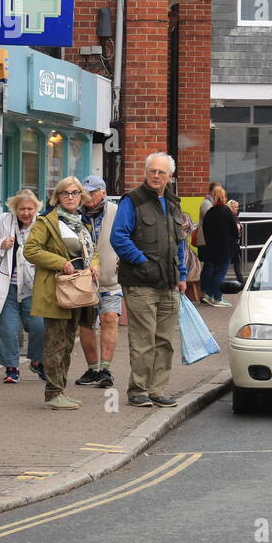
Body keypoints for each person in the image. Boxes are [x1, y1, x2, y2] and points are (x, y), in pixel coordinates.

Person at [110, 152, 188, 408]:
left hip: (169, 283)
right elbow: (119, 237)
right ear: (146, 172)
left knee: (164, 341)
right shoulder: (132, 200)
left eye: (161, 172)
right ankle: (139, 391)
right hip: (140, 283)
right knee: (143, 340)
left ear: (170, 176)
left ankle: (157, 390)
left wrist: (182, 276)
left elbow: (178, 243)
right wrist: (143, 262)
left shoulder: (174, 204)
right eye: (152, 171)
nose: (156, 176)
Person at [24, 176, 99, 410]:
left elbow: (91, 250)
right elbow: (31, 250)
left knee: (67, 343)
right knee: (55, 343)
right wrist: (59, 262)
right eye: (65, 193)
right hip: (56, 290)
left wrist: (94, 263)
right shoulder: (46, 221)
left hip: (79, 289)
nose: (70, 197)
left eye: (75, 193)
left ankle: (60, 391)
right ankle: (53, 393)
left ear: (81, 197)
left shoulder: (82, 221)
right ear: (57, 196)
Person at [0, 189, 46, 384]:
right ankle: (11, 368)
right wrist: (1, 244)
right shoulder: (2, 222)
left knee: (39, 326)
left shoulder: (43, 225)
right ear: (14, 208)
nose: (26, 213)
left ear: (36, 208)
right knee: (7, 329)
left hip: (34, 287)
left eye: (30, 208)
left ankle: (36, 361)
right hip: (6, 286)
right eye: (21, 209)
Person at [75, 176, 122, 389]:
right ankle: (92, 369)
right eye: (86, 192)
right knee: (85, 325)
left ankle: (105, 369)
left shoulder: (117, 212)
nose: (89, 196)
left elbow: (130, 235)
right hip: (83, 281)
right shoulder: (75, 215)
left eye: (94, 192)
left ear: (103, 192)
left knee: (110, 318)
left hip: (111, 280)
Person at [199, 186, 237, 307]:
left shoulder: (210, 212)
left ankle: (209, 295)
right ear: (223, 197)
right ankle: (217, 297)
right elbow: (234, 230)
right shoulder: (226, 211)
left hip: (211, 247)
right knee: (220, 273)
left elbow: (205, 230)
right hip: (225, 248)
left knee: (214, 272)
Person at [192, 181, 221, 300]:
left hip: (208, 240)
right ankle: (204, 293)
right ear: (210, 191)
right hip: (206, 241)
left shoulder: (211, 203)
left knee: (210, 266)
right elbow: (213, 219)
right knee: (209, 266)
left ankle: (207, 292)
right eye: (215, 191)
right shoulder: (206, 204)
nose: (217, 194)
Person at [228, 198, 245, 285]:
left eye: (237, 207)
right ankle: (241, 282)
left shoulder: (235, 217)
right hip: (231, 245)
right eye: (235, 207)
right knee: (226, 265)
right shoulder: (230, 217)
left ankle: (241, 282)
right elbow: (236, 229)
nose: (237, 209)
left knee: (237, 264)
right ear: (230, 208)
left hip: (235, 245)